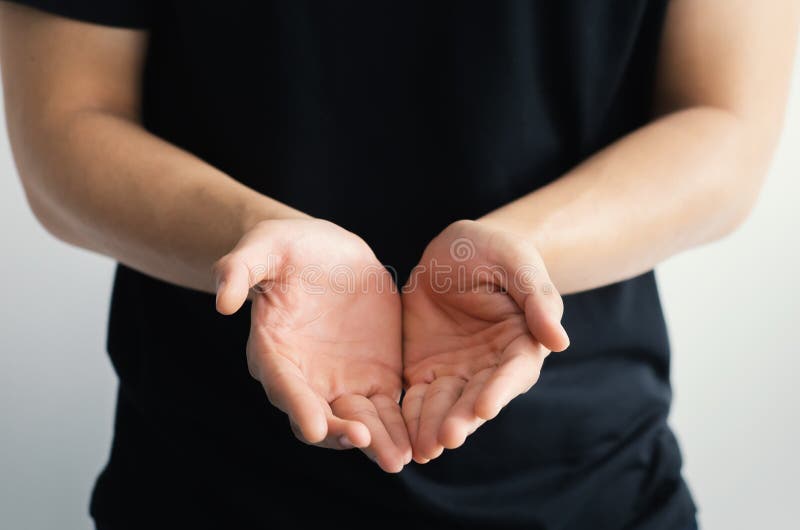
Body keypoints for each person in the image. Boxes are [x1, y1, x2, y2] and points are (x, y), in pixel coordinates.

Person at [1, 1, 796, 528]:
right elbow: (66, 120)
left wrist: (524, 254)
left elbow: (724, 121)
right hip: (206, 485)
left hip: (594, 487)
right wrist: (258, 234)